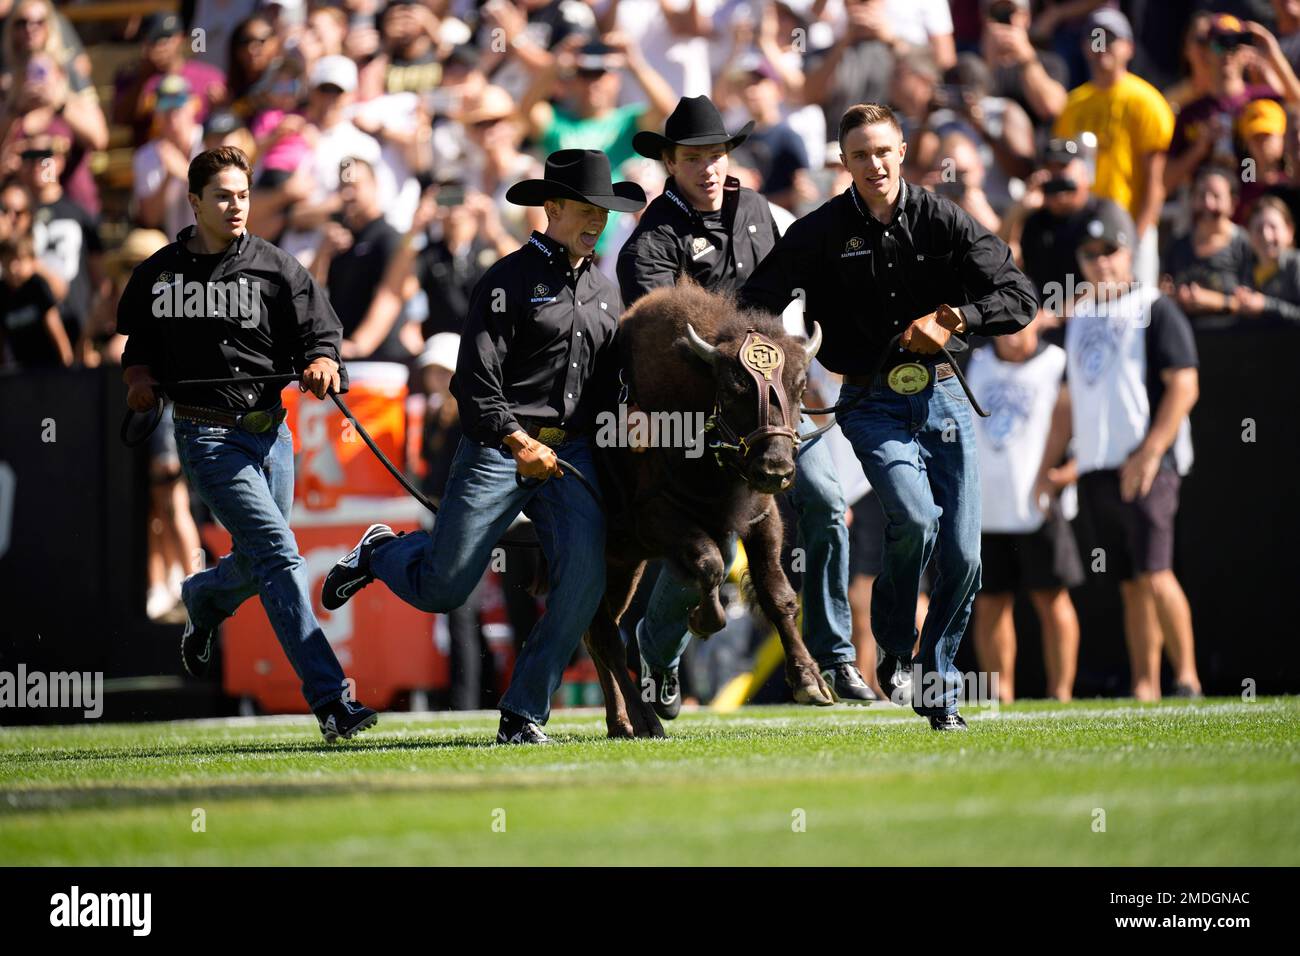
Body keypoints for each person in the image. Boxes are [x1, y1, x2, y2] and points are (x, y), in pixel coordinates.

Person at [321, 149, 646, 745]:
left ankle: (523, 714)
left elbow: (609, 393)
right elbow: (472, 382)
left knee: (584, 581)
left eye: (603, 211)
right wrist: (517, 440)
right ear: (551, 208)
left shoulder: (606, 293)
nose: (596, 221)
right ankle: (379, 554)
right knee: (444, 588)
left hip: (571, 455)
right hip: (498, 445)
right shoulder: (507, 281)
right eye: (584, 209)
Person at [738, 103, 1038, 729]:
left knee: (965, 557)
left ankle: (935, 681)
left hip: (947, 394)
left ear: (902, 150)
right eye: (859, 155)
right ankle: (898, 652)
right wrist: (781, 362)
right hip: (868, 401)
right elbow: (755, 307)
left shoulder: (942, 217)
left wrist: (955, 318)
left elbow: (1019, 296)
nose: (873, 164)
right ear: (842, 163)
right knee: (916, 517)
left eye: (883, 151)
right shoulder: (817, 233)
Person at [616, 94, 875, 715]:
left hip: (774, 406)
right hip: (700, 414)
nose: (709, 168)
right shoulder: (649, 244)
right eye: (694, 158)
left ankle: (835, 656)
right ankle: (659, 659)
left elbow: (801, 286)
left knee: (826, 498)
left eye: (717, 156)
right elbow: (666, 345)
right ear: (671, 164)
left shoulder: (758, 209)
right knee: (707, 552)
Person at [116, 146, 377, 742]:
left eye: (242, 195)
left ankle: (205, 597)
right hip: (206, 433)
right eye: (222, 196)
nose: (236, 206)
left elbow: (323, 334)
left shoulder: (277, 267)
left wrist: (321, 364)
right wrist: (138, 382)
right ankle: (333, 702)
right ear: (194, 202)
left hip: (271, 433)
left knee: (262, 562)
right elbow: (139, 351)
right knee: (281, 555)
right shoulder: (159, 273)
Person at [1037, 200, 1203, 700]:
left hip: (1148, 464)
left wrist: (1151, 452)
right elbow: (1068, 399)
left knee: (1156, 573)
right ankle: (1145, 685)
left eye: (1109, 251)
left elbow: (1184, 385)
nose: (1100, 262)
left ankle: (1188, 679)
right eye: (1090, 254)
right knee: (1130, 583)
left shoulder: (1154, 307)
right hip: (1098, 465)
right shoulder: (1081, 317)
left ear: (1128, 251)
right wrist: (1050, 464)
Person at [967, 315, 1083, 702]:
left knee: (1051, 599)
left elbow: (1087, 421)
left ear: (1038, 323)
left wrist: (1068, 472)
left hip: (1040, 510)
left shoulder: (1059, 363)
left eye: (1020, 323)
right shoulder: (976, 363)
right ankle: (1001, 698)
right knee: (990, 603)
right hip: (986, 510)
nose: (1012, 333)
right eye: (1004, 325)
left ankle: (1060, 694)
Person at [1053, 7, 1174, 290]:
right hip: (1087, 237)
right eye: (1094, 38)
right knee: (1090, 317)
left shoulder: (1147, 101)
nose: (1101, 45)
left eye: (1110, 38)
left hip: (1132, 227)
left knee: (1136, 314)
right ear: (1083, 47)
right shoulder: (1073, 105)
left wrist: (1136, 238)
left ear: (1129, 48)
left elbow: (1156, 183)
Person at [1161, 164, 1253, 322]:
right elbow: (1163, 292)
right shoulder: (1177, 245)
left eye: (1216, 196)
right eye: (1201, 195)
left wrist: (1210, 300)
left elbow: (1253, 302)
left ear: (1232, 203)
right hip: (1186, 337)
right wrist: (1177, 296)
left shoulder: (1244, 244)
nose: (1207, 204)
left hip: (1231, 339)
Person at [0, 232, 70, 367]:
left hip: (48, 367)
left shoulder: (38, 286)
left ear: (32, 261)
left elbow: (56, 329)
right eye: (8, 261)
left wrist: (67, 367)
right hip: (18, 369)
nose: (13, 268)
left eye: (18, 261)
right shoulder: (2, 292)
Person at [1233, 194, 1300, 322]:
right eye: (1258, 229)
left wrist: (1266, 305)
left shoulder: (1296, 264)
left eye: (1273, 227)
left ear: (1289, 231)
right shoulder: (1245, 269)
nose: (1266, 236)